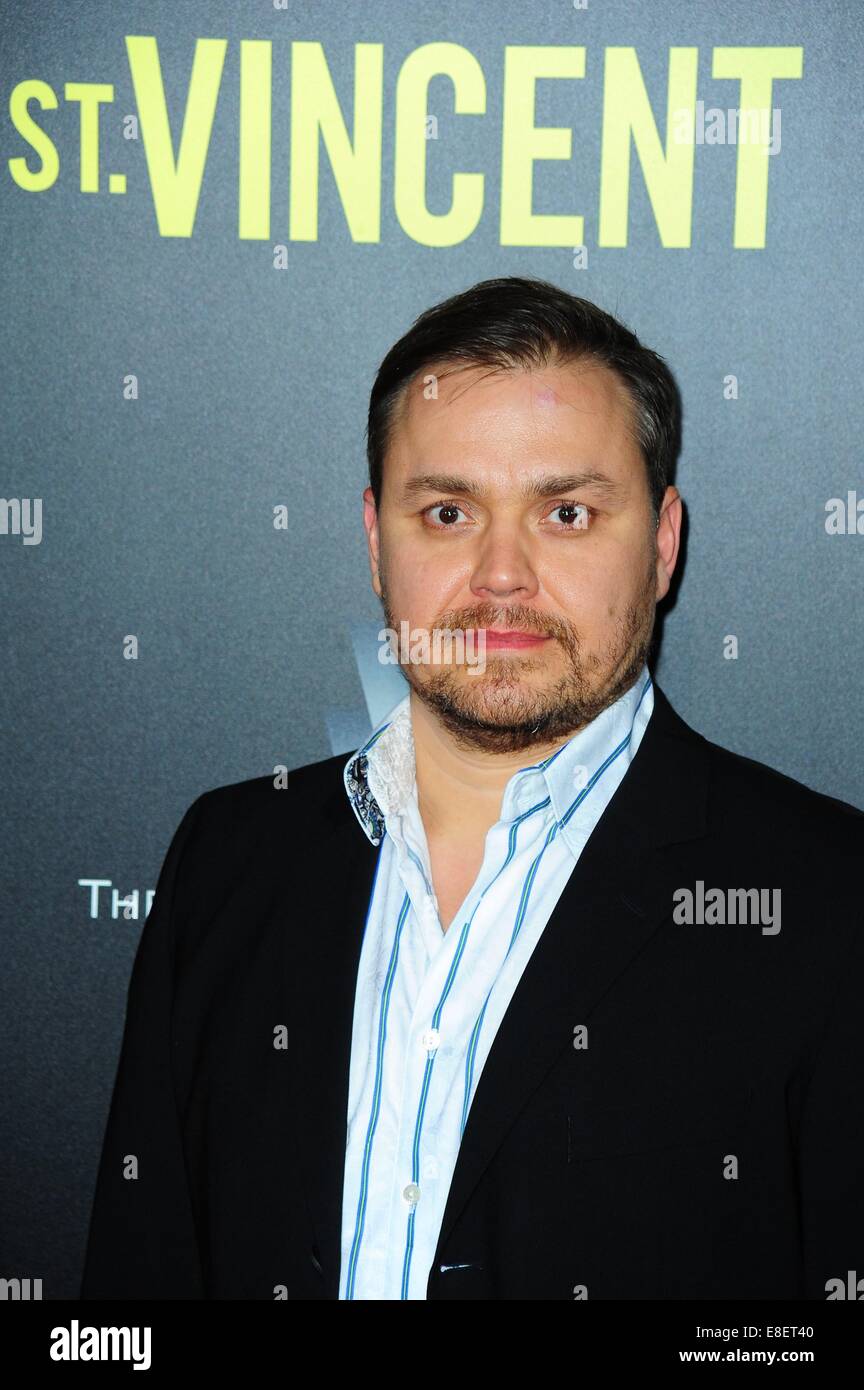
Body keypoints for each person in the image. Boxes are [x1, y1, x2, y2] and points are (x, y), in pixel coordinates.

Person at [80, 277, 864, 1301]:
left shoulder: (828, 904)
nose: (501, 575)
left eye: (567, 512)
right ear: (376, 541)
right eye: (448, 512)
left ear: (663, 544)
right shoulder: (227, 859)